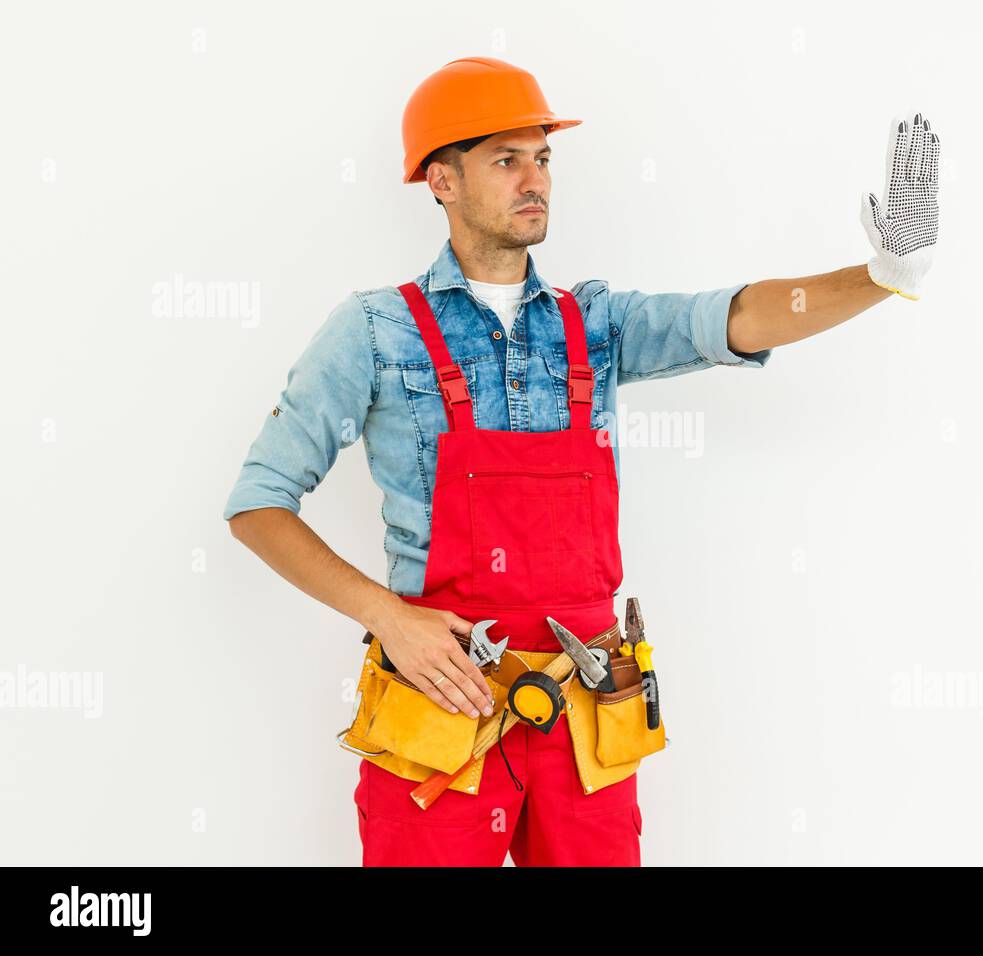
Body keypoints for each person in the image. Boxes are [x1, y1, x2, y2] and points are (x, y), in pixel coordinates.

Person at [223, 55, 941, 866]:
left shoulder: (594, 326)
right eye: (506, 159)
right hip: (441, 708)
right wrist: (387, 617)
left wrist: (880, 277)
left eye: (544, 157)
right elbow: (258, 503)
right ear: (441, 181)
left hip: (586, 709)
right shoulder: (374, 332)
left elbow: (734, 316)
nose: (535, 180)